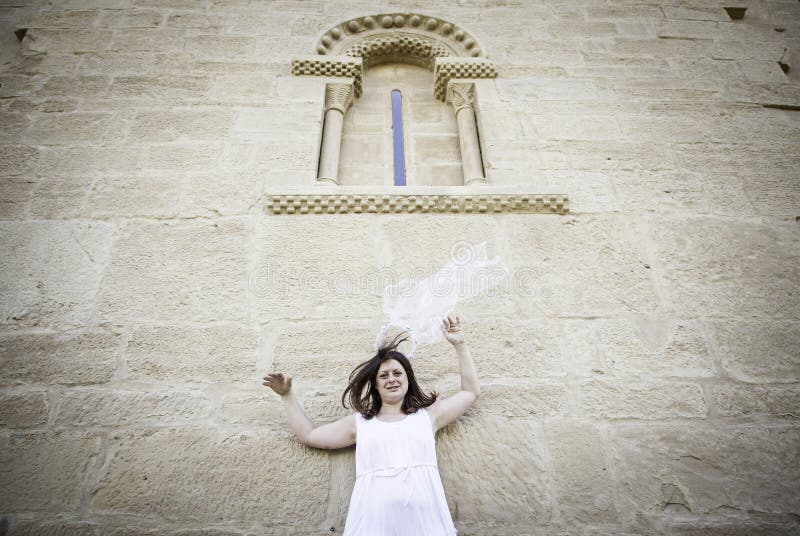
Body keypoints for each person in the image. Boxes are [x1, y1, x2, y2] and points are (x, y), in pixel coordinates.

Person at [263, 313, 479, 536]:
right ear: (376, 385)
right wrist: (287, 396)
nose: (392, 379)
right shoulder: (360, 424)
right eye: (383, 376)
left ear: (407, 379)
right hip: (374, 523)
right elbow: (310, 435)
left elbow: (470, 393)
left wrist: (460, 345)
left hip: (426, 522)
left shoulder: (428, 417)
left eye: (398, 373)